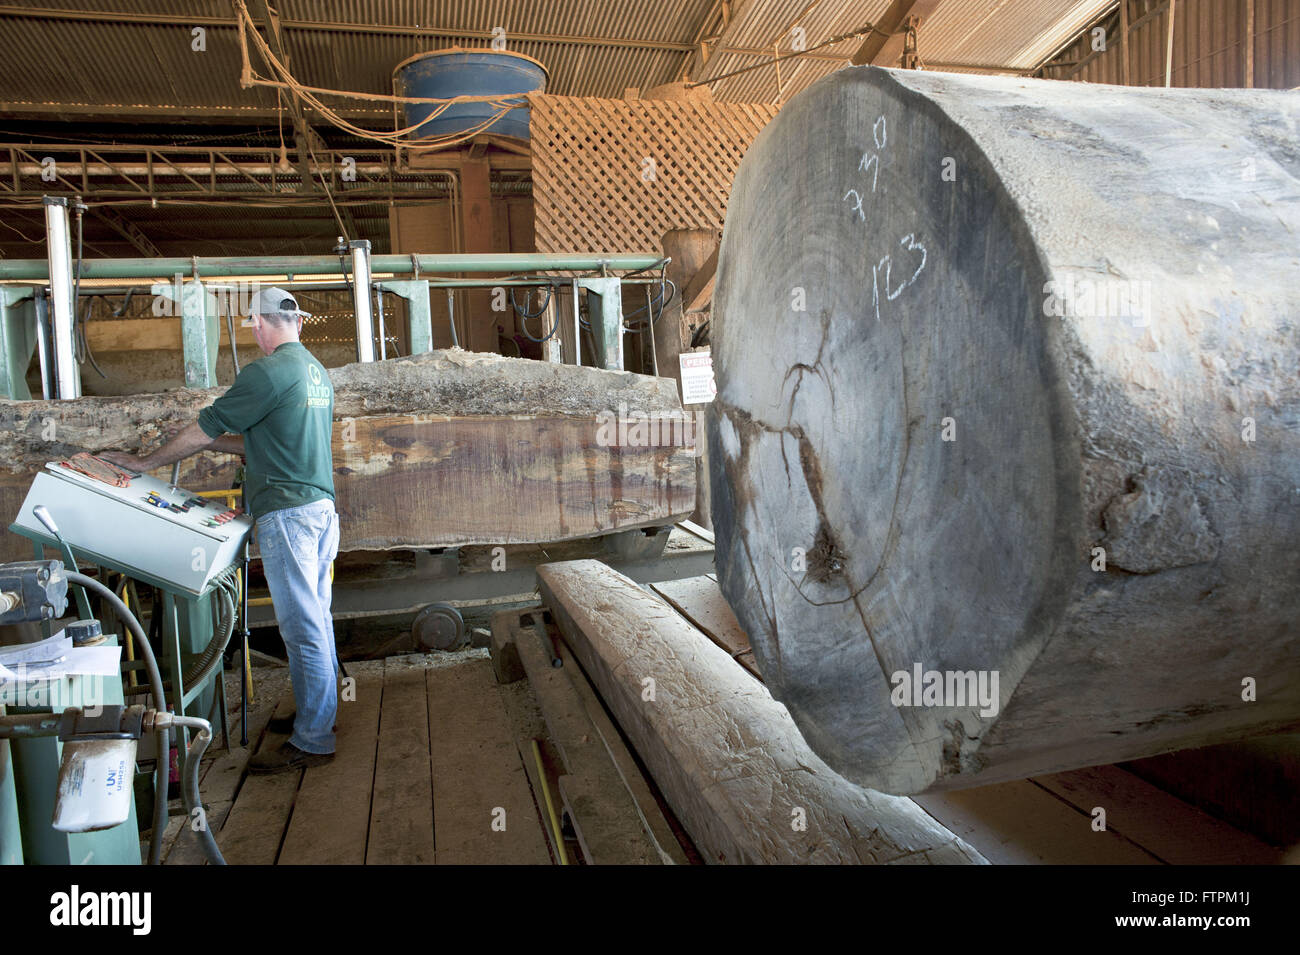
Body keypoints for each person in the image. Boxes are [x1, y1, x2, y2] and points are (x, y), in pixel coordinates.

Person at [102, 286, 339, 774]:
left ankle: (314, 739)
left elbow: (204, 428)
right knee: (318, 621)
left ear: (259, 322)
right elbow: (266, 445)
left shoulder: (266, 372)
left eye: (253, 322)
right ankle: (318, 717)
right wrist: (221, 448)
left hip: (288, 516)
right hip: (318, 510)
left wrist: (144, 463)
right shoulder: (315, 372)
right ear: (296, 322)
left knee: (302, 629)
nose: (252, 329)